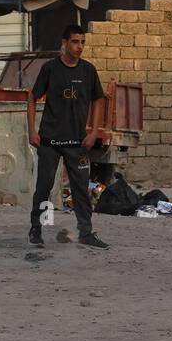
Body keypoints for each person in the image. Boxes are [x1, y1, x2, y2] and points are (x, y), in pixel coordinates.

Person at [27, 25, 109, 250]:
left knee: (81, 189)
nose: (79, 46)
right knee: (44, 186)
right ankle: (37, 229)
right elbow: (32, 98)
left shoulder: (88, 71)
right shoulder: (50, 69)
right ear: (64, 43)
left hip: (77, 142)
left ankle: (86, 232)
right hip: (50, 140)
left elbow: (98, 100)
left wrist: (93, 132)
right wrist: (31, 131)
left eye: (82, 42)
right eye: (75, 41)